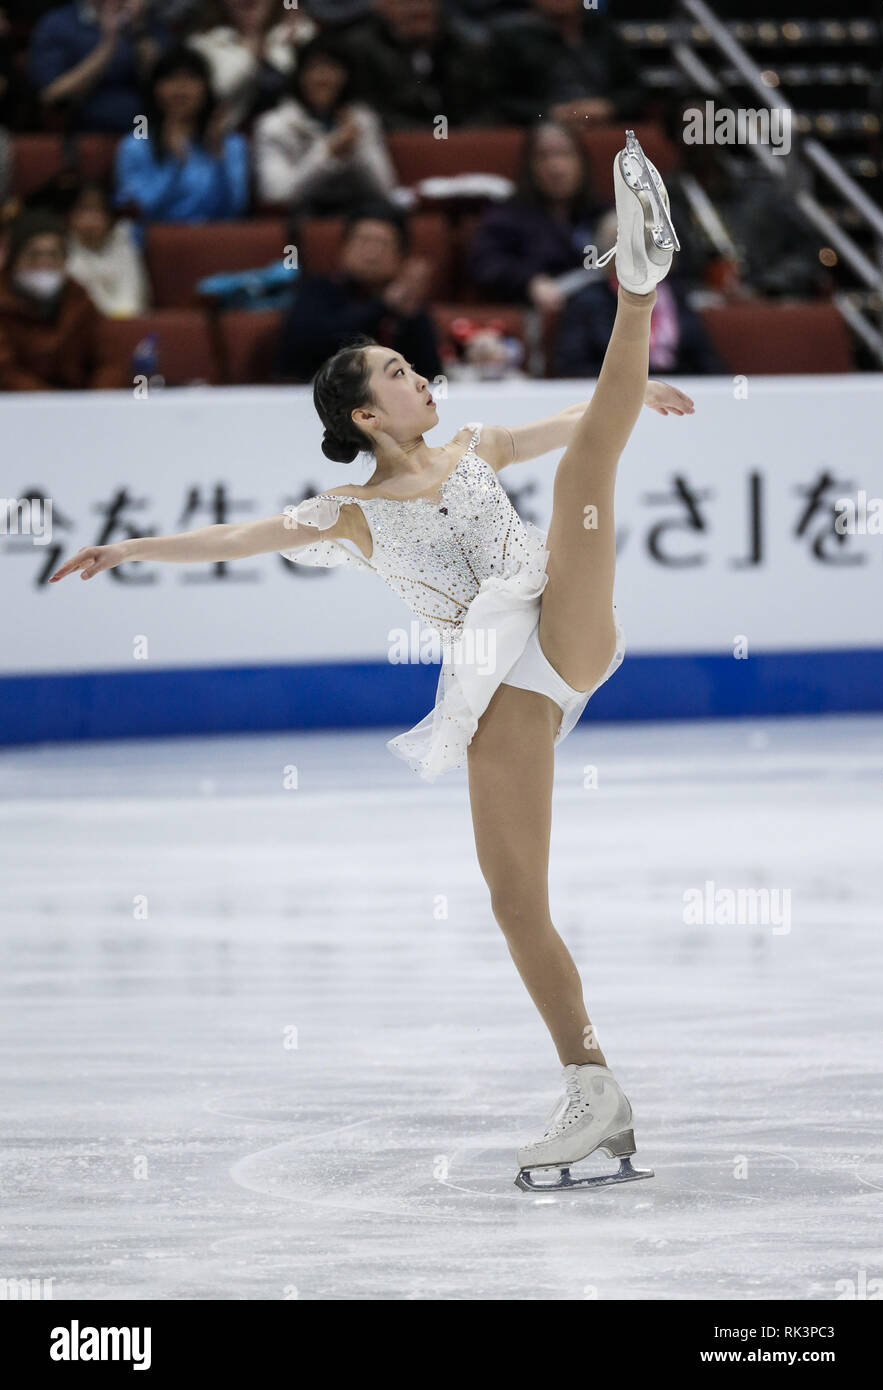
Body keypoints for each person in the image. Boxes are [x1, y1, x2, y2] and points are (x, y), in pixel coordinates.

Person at [50, 134, 691, 1189]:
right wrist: (130, 548)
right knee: (514, 901)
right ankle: (592, 1084)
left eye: (412, 366)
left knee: (586, 463)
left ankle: (637, 284)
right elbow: (236, 535)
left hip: (556, 613)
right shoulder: (346, 511)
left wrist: (626, 395)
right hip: (495, 682)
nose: (419, 377)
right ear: (363, 415)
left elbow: (570, 427)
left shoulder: (473, 446)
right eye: (397, 374)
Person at [274, 204, 442, 383]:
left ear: (401, 256)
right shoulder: (316, 290)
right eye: (363, 241)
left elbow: (429, 373)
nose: (371, 254)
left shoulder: (406, 306)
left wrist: (412, 317)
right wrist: (383, 306)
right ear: (343, 248)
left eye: (382, 244)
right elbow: (307, 346)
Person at [555, 208, 726, 377]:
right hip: (616, 389)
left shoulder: (677, 294)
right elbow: (573, 368)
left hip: (676, 387)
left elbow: (708, 362)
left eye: (646, 241)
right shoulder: (587, 301)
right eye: (624, 243)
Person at [468, 120, 602, 312]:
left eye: (565, 154)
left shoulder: (601, 213)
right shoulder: (507, 217)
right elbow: (485, 264)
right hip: (538, 308)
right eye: (543, 156)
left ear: (582, 162)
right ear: (529, 166)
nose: (556, 168)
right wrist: (529, 281)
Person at [253, 35, 396, 215]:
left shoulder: (362, 119)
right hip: (300, 220)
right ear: (299, 76)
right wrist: (328, 153)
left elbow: (385, 189)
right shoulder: (274, 125)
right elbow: (276, 196)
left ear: (346, 76)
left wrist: (356, 149)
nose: (323, 79)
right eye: (314, 69)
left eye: (332, 69)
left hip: (356, 215)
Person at [114, 46, 249, 225]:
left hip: (214, 238)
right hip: (156, 239)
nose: (181, 88)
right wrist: (173, 164)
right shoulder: (135, 145)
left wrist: (219, 162)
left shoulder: (230, 144)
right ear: (154, 89)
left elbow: (236, 209)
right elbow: (137, 210)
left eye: (191, 78)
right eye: (171, 78)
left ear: (206, 89)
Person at [0, 209, 128, 389]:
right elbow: (5, 372)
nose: (44, 263)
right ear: (14, 259)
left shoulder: (78, 299)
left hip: (79, 402)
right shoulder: (4, 302)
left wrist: (97, 398)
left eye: (54, 254)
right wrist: (50, 402)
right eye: (33, 254)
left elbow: (111, 360)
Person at [487, 0, 645, 127]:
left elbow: (635, 91)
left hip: (605, 127)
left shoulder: (605, 34)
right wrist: (547, 113)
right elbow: (500, 101)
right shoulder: (511, 39)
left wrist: (609, 107)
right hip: (539, 133)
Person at [339, 0, 492, 129]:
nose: (419, 9)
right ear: (381, 6)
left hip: (461, 144)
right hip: (393, 146)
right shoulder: (359, 51)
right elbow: (367, 110)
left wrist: (459, 138)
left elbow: (487, 107)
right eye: (406, 3)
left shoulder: (465, 48)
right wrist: (430, 138)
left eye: (425, 1)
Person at [27, 0, 166, 134]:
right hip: (85, 127)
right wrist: (108, 45)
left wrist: (139, 30)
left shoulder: (145, 19)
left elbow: (165, 78)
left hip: (140, 126)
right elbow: (51, 94)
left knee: (143, 137)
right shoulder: (57, 23)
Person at [187, 0, 315, 128]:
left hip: (293, 134)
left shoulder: (298, 34)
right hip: (227, 134)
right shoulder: (201, 44)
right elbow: (216, 93)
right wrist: (250, 53)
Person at [66, 181, 150, 317]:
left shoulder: (124, 241)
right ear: (70, 216)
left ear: (109, 216)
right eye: (83, 210)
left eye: (96, 211)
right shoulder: (62, 249)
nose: (90, 219)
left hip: (126, 323)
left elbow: (133, 298)